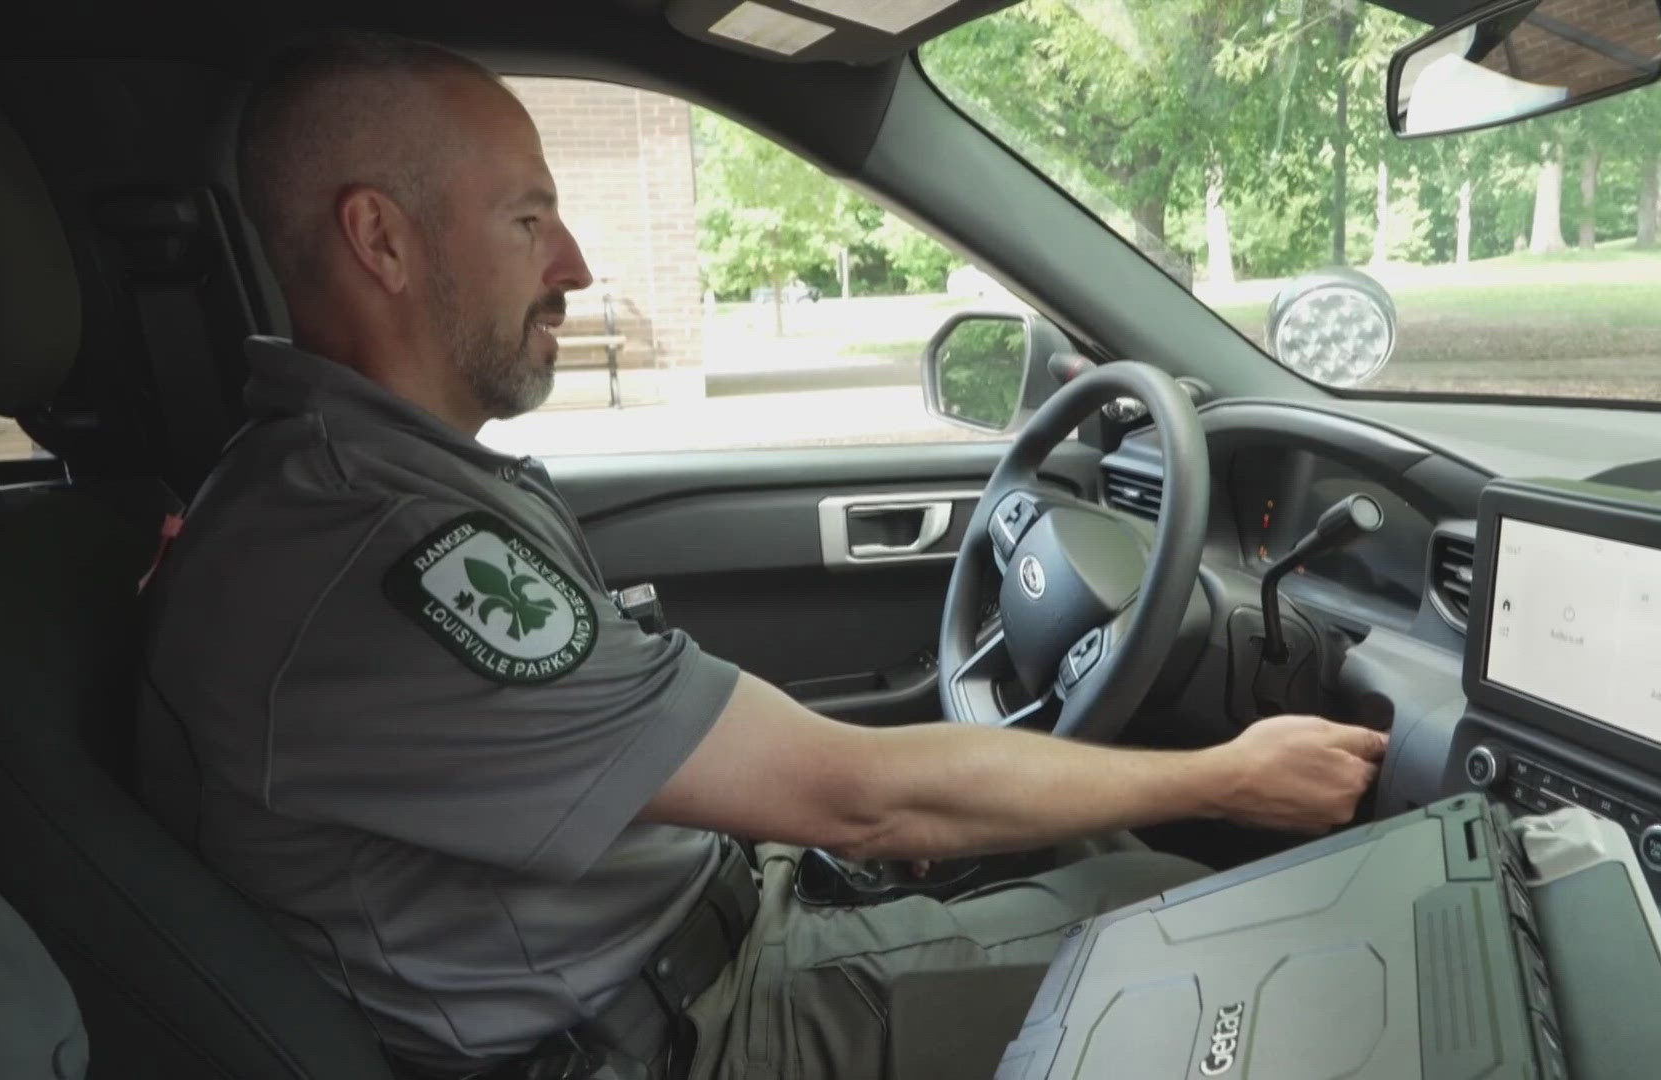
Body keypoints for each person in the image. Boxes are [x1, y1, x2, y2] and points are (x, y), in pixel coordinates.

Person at [136, 31, 1387, 1080]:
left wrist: (854, 830)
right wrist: (1229, 774)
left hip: (695, 939)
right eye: (528, 219)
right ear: (382, 243)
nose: (573, 266)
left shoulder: (350, 484)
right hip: (696, 1034)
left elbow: (744, 766)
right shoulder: (387, 550)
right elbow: (861, 791)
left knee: (1098, 860)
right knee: (1198, 917)